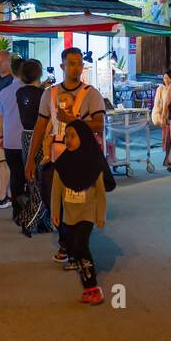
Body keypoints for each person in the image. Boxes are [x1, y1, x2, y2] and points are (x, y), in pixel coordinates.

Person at [25, 47, 105, 264]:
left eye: (79, 63)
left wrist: (73, 120)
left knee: (77, 204)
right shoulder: (49, 93)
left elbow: (99, 125)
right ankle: (66, 242)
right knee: (55, 203)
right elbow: (40, 126)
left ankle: (71, 247)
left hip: (81, 161)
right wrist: (31, 159)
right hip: (55, 157)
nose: (76, 68)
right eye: (71, 63)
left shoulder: (91, 93)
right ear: (62, 66)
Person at [50, 121, 109, 305]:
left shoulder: (93, 162)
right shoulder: (62, 163)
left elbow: (100, 192)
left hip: (87, 212)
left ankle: (92, 287)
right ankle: (88, 288)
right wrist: (55, 212)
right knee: (75, 250)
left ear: (83, 137)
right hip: (69, 215)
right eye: (66, 136)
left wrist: (100, 215)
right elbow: (56, 190)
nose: (68, 140)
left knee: (81, 246)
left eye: (73, 136)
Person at [15, 58, 47, 234]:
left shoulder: (19, 93)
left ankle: (42, 220)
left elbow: (30, 97)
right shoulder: (43, 95)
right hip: (38, 137)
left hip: (24, 136)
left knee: (32, 179)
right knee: (41, 180)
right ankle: (28, 219)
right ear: (39, 74)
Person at [0, 58, 25, 221]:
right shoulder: (30, 90)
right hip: (27, 140)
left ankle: (17, 211)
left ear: (12, 71)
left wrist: (1, 136)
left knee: (15, 175)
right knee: (29, 175)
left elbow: (0, 118)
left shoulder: (4, 92)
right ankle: (30, 208)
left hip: (9, 141)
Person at [151, 71, 171, 172]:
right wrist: (159, 117)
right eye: (164, 78)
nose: (166, 80)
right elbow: (158, 104)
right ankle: (169, 159)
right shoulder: (161, 89)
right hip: (166, 118)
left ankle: (169, 160)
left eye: (168, 78)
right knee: (168, 139)